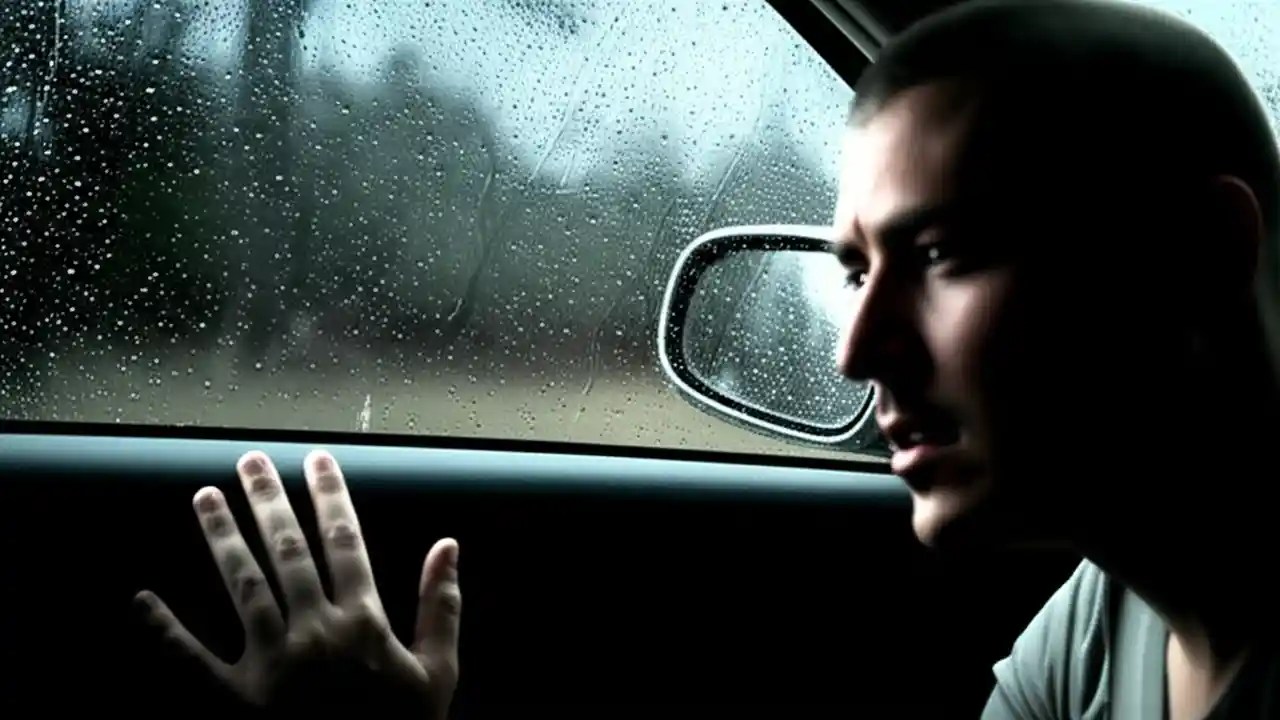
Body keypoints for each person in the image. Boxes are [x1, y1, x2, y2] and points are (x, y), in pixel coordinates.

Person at [135, 0, 1280, 717]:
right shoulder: (1103, 611)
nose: (854, 349)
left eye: (938, 253)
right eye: (854, 268)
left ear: (1193, 255)